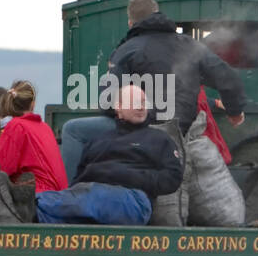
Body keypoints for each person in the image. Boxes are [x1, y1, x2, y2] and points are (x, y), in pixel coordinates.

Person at [60, 0, 247, 181]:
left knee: (72, 130)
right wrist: (234, 111)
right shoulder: (191, 46)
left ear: (130, 23)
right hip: (181, 129)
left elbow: (108, 102)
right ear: (158, 14)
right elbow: (229, 78)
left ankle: (66, 194)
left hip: (143, 129)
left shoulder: (127, 50)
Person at [36, 85, 183, 225]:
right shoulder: (98, 140)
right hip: (89, 196)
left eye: (144, 102)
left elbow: (173, 178)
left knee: (93, 197)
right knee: (51, 213)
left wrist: (128, 176)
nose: (141, 107)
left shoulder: (158, 139)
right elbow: (78, 178)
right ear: (118, 107)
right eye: (135, 102)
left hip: (132, 200)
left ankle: (36, 203)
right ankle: (29, 208)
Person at [0, 80, 67, 193]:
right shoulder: (45, 127)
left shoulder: (17, 127)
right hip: (59, 196)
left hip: (40, 198)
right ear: (33, 104)